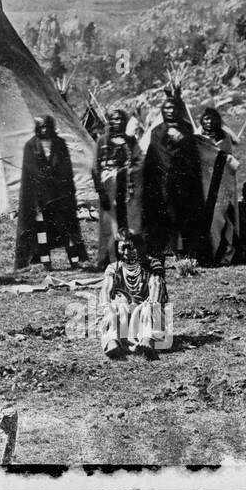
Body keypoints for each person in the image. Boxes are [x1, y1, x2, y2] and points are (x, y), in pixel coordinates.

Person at [15, 115, 88, 270]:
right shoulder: (31, 146)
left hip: (59, 195)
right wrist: (47, 179)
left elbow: (66, 169)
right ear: (37, 128)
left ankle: (74, 261)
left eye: (47, 126)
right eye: (41, 127)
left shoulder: (60, 144)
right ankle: (46, 263)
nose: (44, 130)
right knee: (42, 229)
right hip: (40, 196)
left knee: (66, 228)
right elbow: (32, 171)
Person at [141, 92, 205, 262]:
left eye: (173, 107)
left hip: (183, 180)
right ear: (163, 110)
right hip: (162, 180)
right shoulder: (157, 130)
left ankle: (183, 252)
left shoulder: (186, 128)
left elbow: (191, 155)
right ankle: (162, 250)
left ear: (178, 109)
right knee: (163, 215)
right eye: (167, 108)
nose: (170, 111)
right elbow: (155, 154)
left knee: (183, 215)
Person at [98, 229, 171, 358]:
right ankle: (112, 342)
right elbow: (106, 289)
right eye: (123, 248)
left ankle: (147, 340)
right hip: (124, 317)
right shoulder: (113, 268)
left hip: (145, 314)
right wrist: (106, 305)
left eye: (130, 248)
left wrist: (151, 303)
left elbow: (156, 285)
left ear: (140, 247)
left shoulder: (152, 264)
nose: (126, 253)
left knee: (151, 308)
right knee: (113, 307)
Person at [91, 108, 142, 268]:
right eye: (114, 119)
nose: (117, 122)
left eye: (120, 119)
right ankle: (106, 259)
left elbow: (139, 161)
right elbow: (95, 168)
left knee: (126, 222)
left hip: (126, 186)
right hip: (108, 187)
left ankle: (126, 256)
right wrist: (100, 190)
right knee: (108, 222)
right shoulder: (102, 141)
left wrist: (128, 173)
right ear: (109, 121)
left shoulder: (131, 140)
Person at [195, 106, 240, 266]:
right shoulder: (197, 139)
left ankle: (221, 255)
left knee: (220, 218)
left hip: (221, 184)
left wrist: (221, 157)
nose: (209, 122)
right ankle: (204, 255)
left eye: (212, 118)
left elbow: (228, 161)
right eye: (206, 118)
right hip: (203, 185)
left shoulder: (225, 137)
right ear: (202, 120)